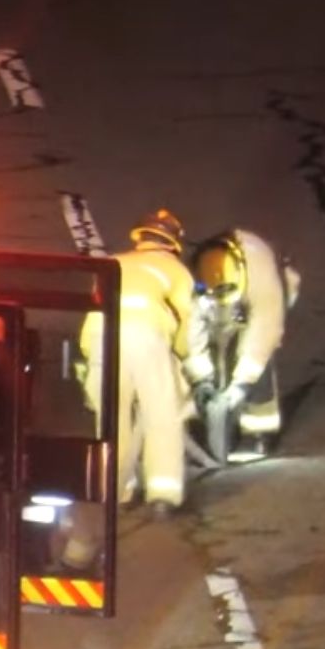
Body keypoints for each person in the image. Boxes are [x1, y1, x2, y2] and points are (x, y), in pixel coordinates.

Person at [76, 209, 203, 518]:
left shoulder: (113, 263)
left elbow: (90, 313)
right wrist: (184, 356)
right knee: (162, 414)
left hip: (100, 338)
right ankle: (163, 494)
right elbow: (190, 322)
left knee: (111, 420)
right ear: (173, 243)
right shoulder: (175, 270)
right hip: (146, 338)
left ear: (140, 237)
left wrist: (87, 353)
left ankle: (116, 491)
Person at [184, 228, 299, 461]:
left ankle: (259, 431)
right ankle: (220, 421)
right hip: (225, 302)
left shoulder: (262, 280)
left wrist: (243, 383)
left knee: (256, 360)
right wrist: (201, 377)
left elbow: (265, 334)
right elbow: (191, 333)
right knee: (217, 356)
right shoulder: (197, 279)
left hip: (269, 295)